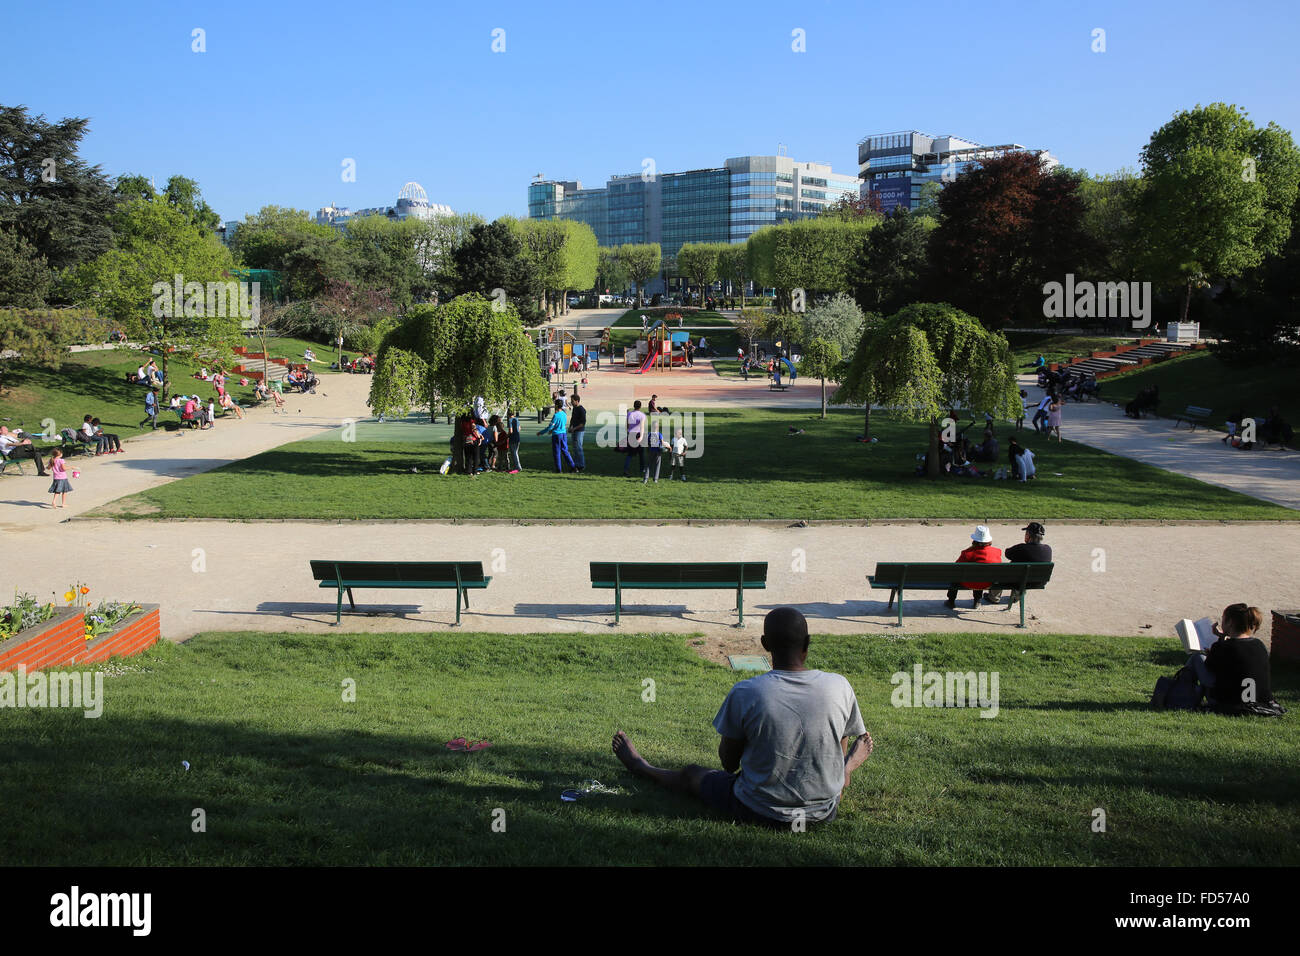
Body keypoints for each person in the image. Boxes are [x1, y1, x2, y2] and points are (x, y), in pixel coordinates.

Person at [611, 607, 872, 829]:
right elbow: (835, 757)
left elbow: (728, 763)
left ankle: (641, 767)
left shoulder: (748, 692)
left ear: (765, 644)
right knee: (837, 771)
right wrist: (843, 768)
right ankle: (848, 767)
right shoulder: (839, 686)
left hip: (760, 810)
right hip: (823, 812)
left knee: (692, 774)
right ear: (807, 643)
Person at [1186, 604, 1280, 715]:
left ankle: (1183, 695)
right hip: (1258, 700)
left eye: (1223, 619)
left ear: (1230, 622)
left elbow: (1209, 669)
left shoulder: (1223, 647)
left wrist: (1216, 647)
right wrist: (1222, 638)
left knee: (1197, 658)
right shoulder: (1259, 645)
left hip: (1229, 701)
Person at [985, 522, 1052, 605]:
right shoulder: (1048, 549)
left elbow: (1007, 553)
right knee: (1023, 570)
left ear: (1028, 535)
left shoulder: (1021, 548)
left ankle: (994, 597)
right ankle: (1017, 596)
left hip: (1017, 580)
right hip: (1038, 582)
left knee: (1003, 570)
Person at [944, 525, 1003, 610]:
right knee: (981, 575)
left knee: (957, 576)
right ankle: (977, 600)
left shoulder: (967, 553)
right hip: (988, 583)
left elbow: (956, 567)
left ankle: (951, 600)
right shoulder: (997, 552)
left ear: (974, 540)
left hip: (969, 582)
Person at [537, 398, 577, 473]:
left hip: (556, 435)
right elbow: (561, 425)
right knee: (565, 451)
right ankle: (573, 467)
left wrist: (541, 432)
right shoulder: (564, 414)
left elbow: (550, 427)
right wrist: (552, 430)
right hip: (563, 434)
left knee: (557, 452)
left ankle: (558, 469)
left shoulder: (556, 415)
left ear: (556, 406)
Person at [623, 400, 646, 477]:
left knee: (630, 454)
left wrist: (628, 433)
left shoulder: (629, 414)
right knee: (641, 453)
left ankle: (626, 469)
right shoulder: (642, 415)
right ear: (640, 406)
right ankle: (642, 469)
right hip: (639, 434)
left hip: (631, 434)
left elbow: (627, 425)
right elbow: (642, 427)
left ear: (634, 406)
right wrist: (641, 437)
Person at [568, 394, 587, 473]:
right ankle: (576, 464)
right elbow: (572, 419)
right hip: (574, 430)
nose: (571, 402)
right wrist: (570, 426)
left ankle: (581, 465)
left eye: (572, 401)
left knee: (579, 448)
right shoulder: (575, 408)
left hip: (579, 431)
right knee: (575, 448)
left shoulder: (581, 410)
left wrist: (574, 429)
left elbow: (583, 423)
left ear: (577, 401)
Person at [507, 408, 522, 474]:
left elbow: (510, 430)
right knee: (515, 452)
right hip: (517, 437)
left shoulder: (510, 420)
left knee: (514, 453)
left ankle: (518, 467)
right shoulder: (517, 419)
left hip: (512, 438)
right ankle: (515, 466)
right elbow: (519, 428)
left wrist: (507, 436)